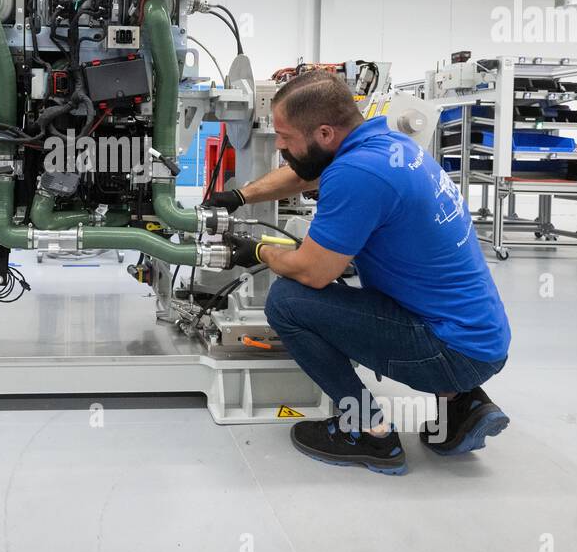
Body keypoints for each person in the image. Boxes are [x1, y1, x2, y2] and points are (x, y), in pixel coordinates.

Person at [207, 71, 511, 476]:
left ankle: (369, 430)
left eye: (286, 137)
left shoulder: (357, 175)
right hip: (482, 335)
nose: (279, 146)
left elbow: (313, 272)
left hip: (451, 347)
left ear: (326, 133)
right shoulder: (387, 143)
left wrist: (256, 249)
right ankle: (462, 404)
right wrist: (240, 196)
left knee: (288, 302)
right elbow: (303, 173)